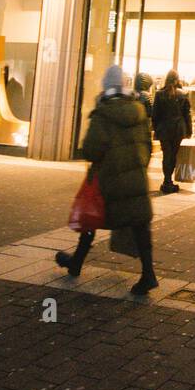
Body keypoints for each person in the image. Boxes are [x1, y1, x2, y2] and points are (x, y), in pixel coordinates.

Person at [56, 65, 157, 294]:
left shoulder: (103, 114)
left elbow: (91, 150)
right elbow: (148, 148)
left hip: (109, 179)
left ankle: (76, 262)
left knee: (91, 218)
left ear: (106, 87)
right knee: (140, 225)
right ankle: (148, 273)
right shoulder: (139, 112)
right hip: (136, 179)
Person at [152, 69, 192, 194]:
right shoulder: (183, 94)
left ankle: (167, 180)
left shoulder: (159, 94)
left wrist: (155, 128)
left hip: (164, 129)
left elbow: (155, 115)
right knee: (173, 155)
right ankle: (169, 181)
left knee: (166, 155)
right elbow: (187, 115)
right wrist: (189, 131)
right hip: (178, 130)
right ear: (177, 79)